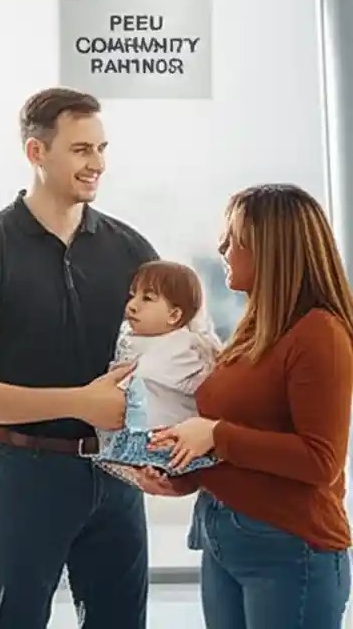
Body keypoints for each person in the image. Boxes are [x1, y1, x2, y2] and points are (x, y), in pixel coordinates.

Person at [0, 87, 159, 629]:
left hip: (117, 475)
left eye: (102, 149)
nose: (98, 164)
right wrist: (82, 403)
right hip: (24, 474)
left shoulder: (132, 251)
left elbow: (161, 362)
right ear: (36, 153)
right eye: (82, 149)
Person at [139, 183, 353, 628]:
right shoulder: (252, 332)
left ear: (271, 249)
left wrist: (214, 434)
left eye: (234, 238)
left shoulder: (319, 335)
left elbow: (321, 460)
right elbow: (237, 444)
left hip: (290, 550)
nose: (221, 247)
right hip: (224, 541)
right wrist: (179, 478)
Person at [91, 260, 222, 483]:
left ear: (174, 316)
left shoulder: (182, 348)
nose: (131, 305)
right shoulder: (134, 339)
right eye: (132, 295)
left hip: (170, 438)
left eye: (147, 298)